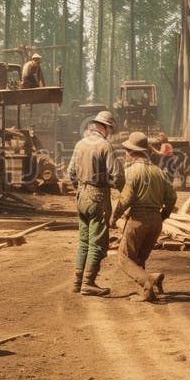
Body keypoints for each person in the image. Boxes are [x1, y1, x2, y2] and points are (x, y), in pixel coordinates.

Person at [111, 132, 177, 300]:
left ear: (132, 151)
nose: (125, 153)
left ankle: (148, 282)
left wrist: (114, 217)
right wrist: (162, 215)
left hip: (139, 219)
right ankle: (148, 287)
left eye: (126, 150)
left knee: (124, 258)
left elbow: (126, 198)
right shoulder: (159, 172)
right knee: (139, 257)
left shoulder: (132, 171)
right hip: (156, 220)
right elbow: (172, 197)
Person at [67, 110, 124, 297]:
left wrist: (81, 187)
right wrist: (124, 192)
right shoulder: (105, 146)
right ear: (106, 127)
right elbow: (117, 175)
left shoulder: (80, 144)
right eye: (110, 129)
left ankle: (77, 282)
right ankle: (89, 283)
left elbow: (70, 173)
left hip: (81, 195)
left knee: (83, 241)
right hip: (97, 196)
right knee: (97, 242)